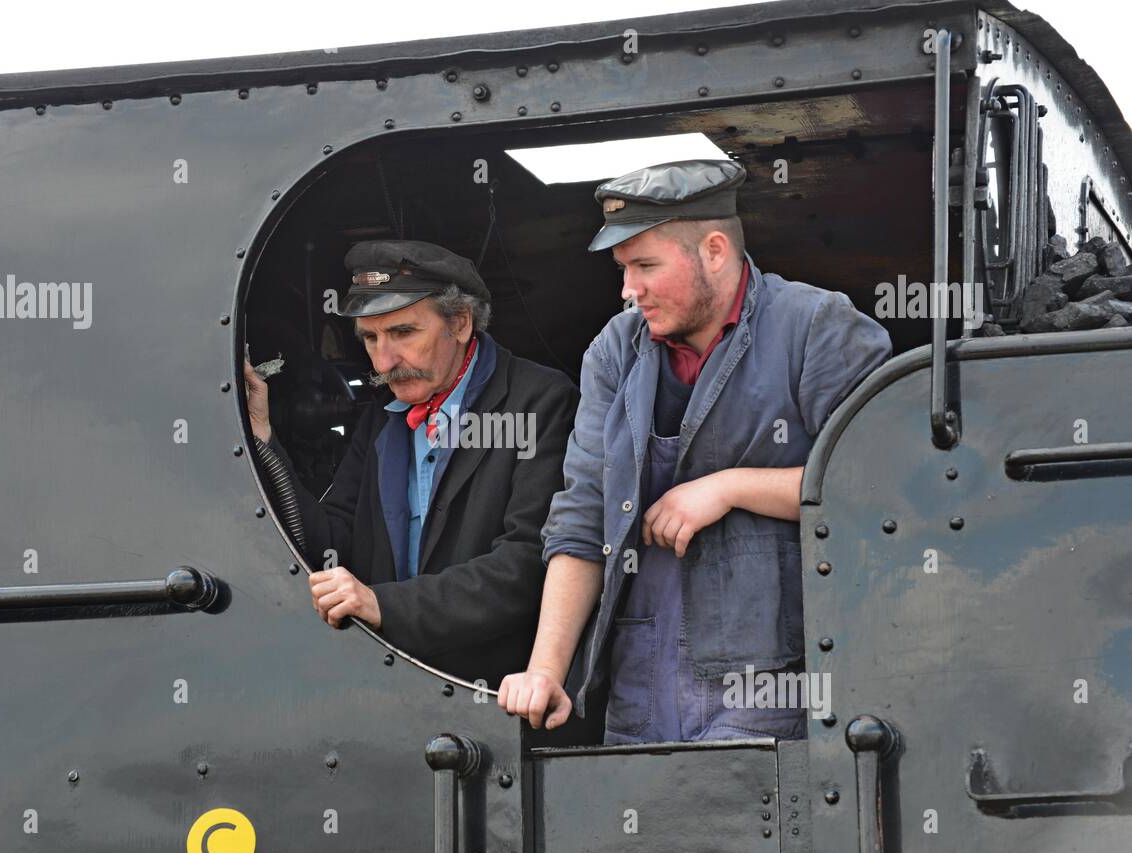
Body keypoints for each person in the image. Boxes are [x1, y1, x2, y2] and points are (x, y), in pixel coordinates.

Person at [498, 159, 892, 743]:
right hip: (636, 684)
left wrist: (730, 487)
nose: (628, 289)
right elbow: (584, 512)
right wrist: (546, 670)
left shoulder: (816, 328)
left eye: (644, 266)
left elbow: (882, 485)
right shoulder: (614, 350)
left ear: (713, 250)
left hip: (770, 688)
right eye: (623, 269)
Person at [245, 239, 578, 690]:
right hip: (395, 690)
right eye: (370, 338)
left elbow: (526, 563)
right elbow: (334, 542)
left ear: (459, 324)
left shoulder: (537, 402)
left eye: (403, 333)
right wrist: (262, 438)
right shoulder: (382, 419)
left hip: (497, 696)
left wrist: (385, 606)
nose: (384, 361)